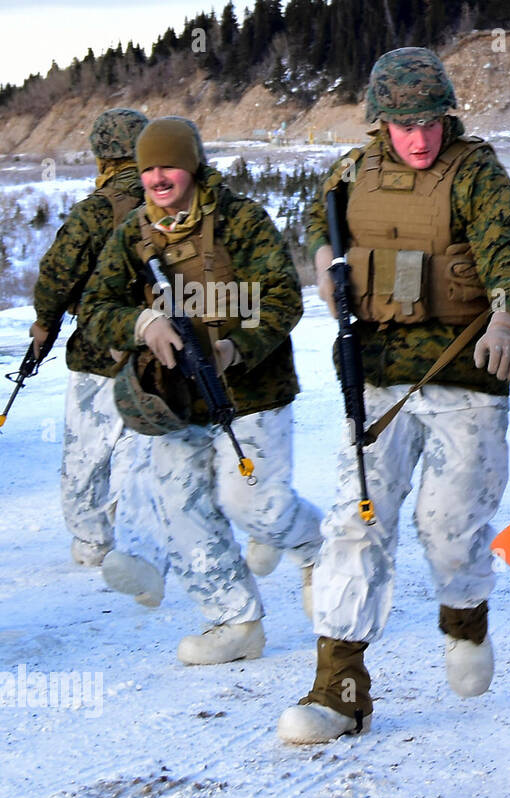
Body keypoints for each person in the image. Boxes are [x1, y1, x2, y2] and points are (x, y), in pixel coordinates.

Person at [276, 47, 510, 744]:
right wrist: (323, 269)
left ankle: (464, 612)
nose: (419, 137)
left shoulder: (475, 172)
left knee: (449, 525)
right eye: (403, 124)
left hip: (463, 373)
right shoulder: (351, 173)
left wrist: (508, 315)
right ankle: (340, 684)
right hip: (379, 375)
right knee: (355, 520)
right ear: (379, 123)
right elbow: (322, 228)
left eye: (429, 121)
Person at [80, 116, 323, 665]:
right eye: (147, 169)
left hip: (254, 391)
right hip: (176, 400)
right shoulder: (135, 234)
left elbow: (283, 298)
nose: (158, 178)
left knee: (252, 501)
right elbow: (96, 308)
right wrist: (144, 325)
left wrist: (234, 347)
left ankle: (314, 546)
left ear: (190, 166)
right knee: (181, 505)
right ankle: (233, 620)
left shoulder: (241, 220)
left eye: (168, 165)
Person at [28, 107, 167, 603]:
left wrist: (44, 323)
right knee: (138, 448)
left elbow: (57, 275)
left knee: (87, 450)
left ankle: (92, 542)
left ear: (102, 155)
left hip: (97, 355)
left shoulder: (97, 209)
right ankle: (133, 537)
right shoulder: (169, 199)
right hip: (158, 352)